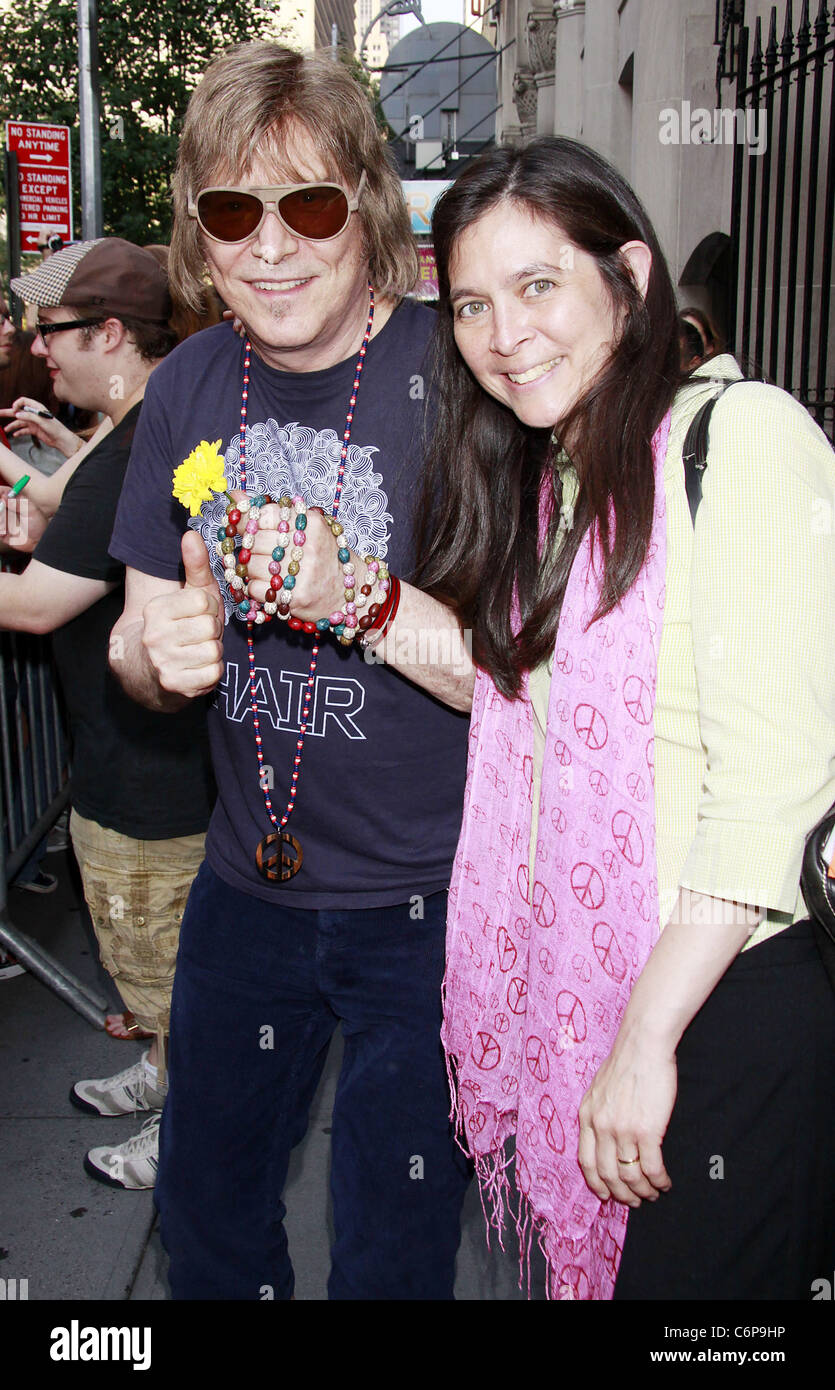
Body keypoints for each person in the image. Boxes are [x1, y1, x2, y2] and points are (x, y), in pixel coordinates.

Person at [397, 137, 835, 1300]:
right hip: (593, 984)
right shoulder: (551, 483)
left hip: (726, 992)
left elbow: (775, 781)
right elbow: (512, 700)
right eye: (475, 304)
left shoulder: (742, 438)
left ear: (628, 277)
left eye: (539, 285)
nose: (504, 335)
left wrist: (643, 1043)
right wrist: (356, 594)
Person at [108, 41, 471, 1301]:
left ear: (365, 208)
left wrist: (361, 597)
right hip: (245, 891)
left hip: (430, 907)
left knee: (392, 1252)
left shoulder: (466, 380)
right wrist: (157, 657)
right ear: (199, 239)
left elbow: (526, 686)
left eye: (308, 204)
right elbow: (135, 633)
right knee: (206, 1222)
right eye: (231, 210)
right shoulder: (191, 384)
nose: (271, 245)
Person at [2, 237, 215, 1187]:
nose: (40, 349)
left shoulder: (139, 442)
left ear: (114, 334)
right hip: (134, 758)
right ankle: (162, 1074)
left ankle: (188, 1131)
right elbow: (53, 510)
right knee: (149, 961)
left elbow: (39, 603)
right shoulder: (131, 427)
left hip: (150, 774)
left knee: (169, 969)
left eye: (52, 332)